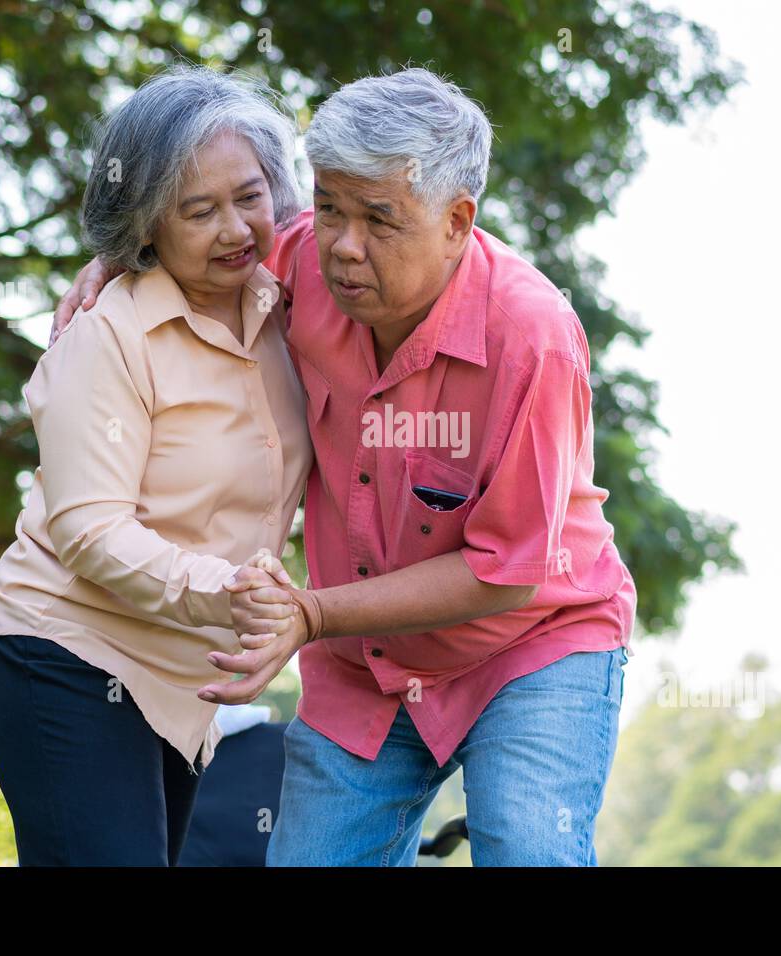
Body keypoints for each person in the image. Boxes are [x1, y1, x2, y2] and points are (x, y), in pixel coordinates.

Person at [53, 67, 637, 867]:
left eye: (379, 220)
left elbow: (507, 574)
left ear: (457, 220)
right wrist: (118, 266)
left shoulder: (532, 338)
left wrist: (313, 614)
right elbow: (199, 243)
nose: (344, 246)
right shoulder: (300, 262)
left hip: (531, 650)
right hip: (367, 665)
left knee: (528, 852)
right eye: (327, 206)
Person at [0, 65, 314, 866]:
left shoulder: (297, 304)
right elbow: (87, 532)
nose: (234, 229)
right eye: (199, 211)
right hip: (61, 650)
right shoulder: (108, 334)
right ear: (146, 223)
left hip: (181, 683)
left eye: (250, 196)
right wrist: (233, 596)